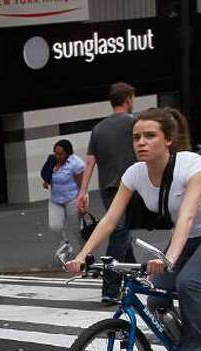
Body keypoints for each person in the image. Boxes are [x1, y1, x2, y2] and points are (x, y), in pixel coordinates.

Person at [66, 108, 201, 351]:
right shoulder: (135, 174)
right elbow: (110, 220)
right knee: (156, 297)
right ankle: (188, 347)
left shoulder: (192, 164)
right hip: (188, 239)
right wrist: (82, 256)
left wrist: (168, 258)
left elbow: (187, 215)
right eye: (137, 137)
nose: (141, 142)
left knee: (189, 281)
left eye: (150, 136)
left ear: (168, 139)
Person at [77, 82, 137, 304]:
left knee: (122, 231)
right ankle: (110, 289)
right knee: (120, 231)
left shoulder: (98, 129)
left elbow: (90, 161)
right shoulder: (135, 123)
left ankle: (133, 275)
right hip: (129, 186)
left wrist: (83, 191)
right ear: (128, 99)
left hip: (107, 188)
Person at [42, 139, 85, 254]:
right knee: (55, 226)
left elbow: (82, 185)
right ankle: (65, 248)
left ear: (68, 153)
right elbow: (47, 174)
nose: (57, 156)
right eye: (55, 153)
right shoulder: (52, 161)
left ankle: (85, 251)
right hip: (55, 200)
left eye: (61, 154)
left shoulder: (75, 164)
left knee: (76, 229)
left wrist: (83, 201)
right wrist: (47, 181)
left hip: (72, 199)